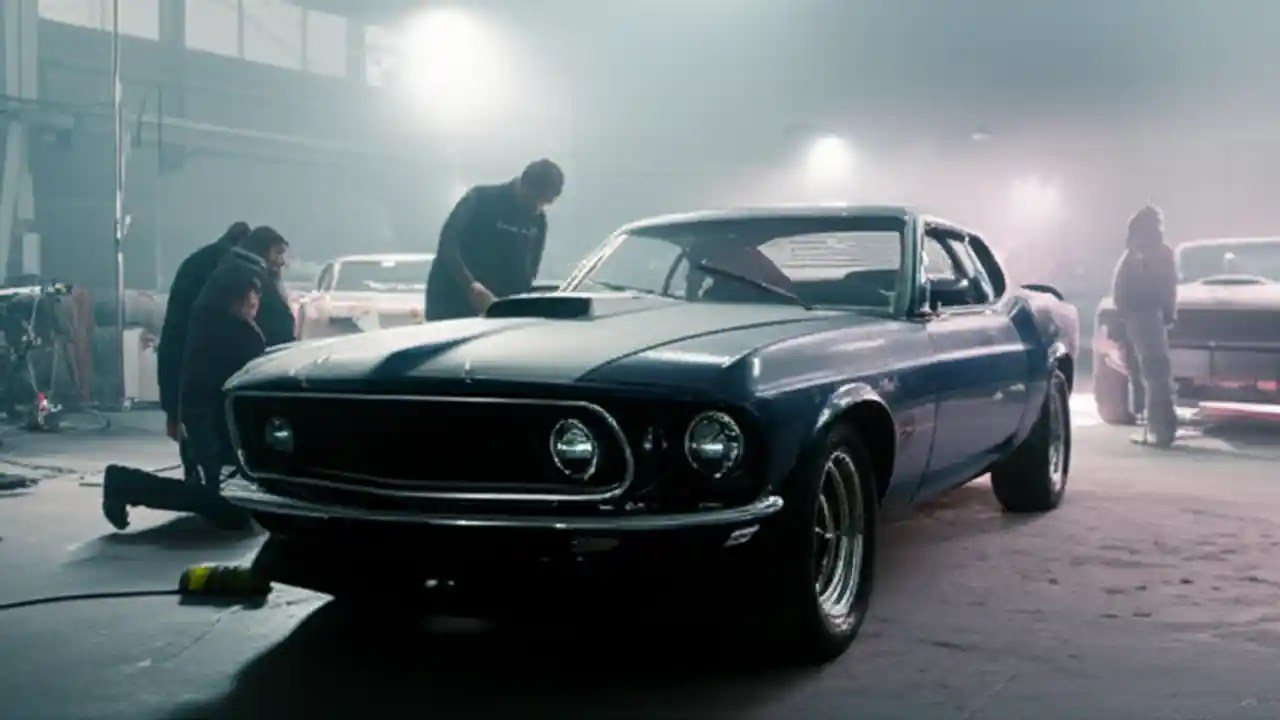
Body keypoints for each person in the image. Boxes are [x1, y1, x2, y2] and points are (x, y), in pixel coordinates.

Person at [101, 274, 265, 530]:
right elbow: (199, 396)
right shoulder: (232, 336)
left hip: (221, 436)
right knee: (226, 508)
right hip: (214, 436)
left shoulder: (224, 331)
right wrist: (206, 456)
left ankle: (124, 483)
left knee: (231, 508)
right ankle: (123, 482)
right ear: (235, 300)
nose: (255, 302)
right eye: (250, 296)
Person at [158, 221, 251, 478]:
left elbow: (172, 339)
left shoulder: (195, 265)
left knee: (198, 467)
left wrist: (170, 408)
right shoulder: (237, 271)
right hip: (222, 385)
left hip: (191, 385)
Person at [426, 159, 564, 320]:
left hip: (497, 310)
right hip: (451, 300)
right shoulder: (480, 199)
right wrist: (470, 285)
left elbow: (529, 270)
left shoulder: (538, 222)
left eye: (543, 203)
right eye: (534, 200)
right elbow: (448, 243)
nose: (536, 208)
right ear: (524, 182)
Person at [1111, 205, 1179, 447]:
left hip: (1137, 317)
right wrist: (1170, 313)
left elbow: (1119, 288)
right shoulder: (1163, 252)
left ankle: (1157, 429)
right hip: (1154, 316)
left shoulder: (1134, 254)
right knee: (1158, 372)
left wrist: (1121, 316)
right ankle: (1163, 427)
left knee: (1150, 373)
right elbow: (1169, 286)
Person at [196, 225, 295, 347]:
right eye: (277, 253)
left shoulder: (237, 270)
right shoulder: (246, 278)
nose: (281, 261)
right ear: (262, 250)